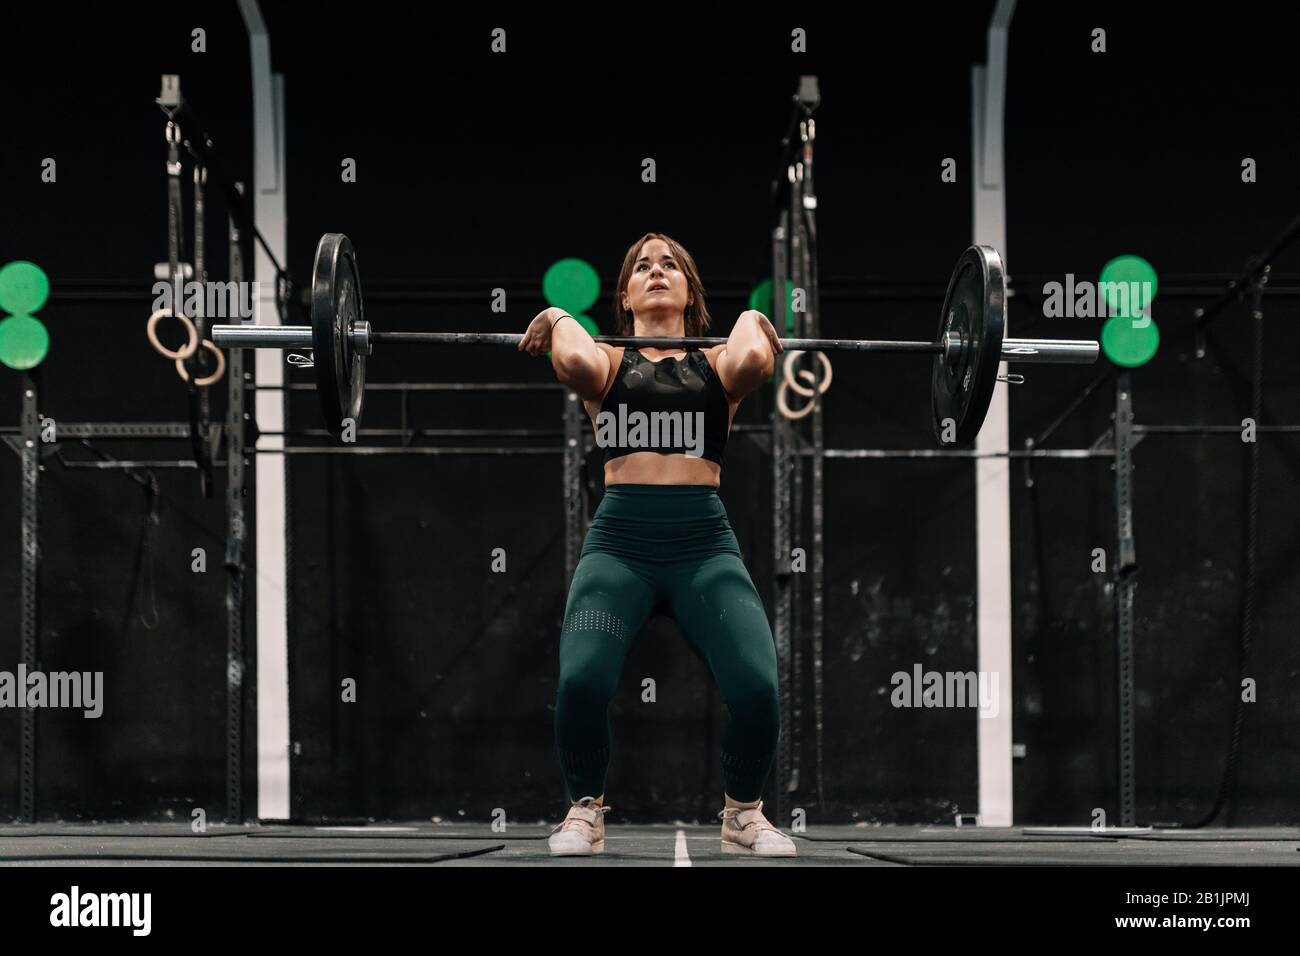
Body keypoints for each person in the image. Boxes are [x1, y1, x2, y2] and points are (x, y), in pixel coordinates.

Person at [518, 232, 796, 858]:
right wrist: (562, 316)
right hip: (621, 545)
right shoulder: (609, 363)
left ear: (691, 290)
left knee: (756, 688)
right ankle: (584, 811)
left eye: (670, 265)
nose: (656, 272)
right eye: (642, 267)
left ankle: (742, 814)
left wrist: (752, 316)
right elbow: (573, 364)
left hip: (703, 544)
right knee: (582, 682)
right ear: (625, 294)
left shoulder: (719, 362)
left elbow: (756, 361)